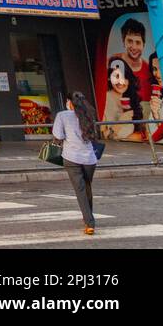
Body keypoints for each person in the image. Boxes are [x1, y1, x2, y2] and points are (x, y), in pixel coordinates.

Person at [52, 91, 100, 235]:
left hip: (71, 158)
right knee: (87, 188)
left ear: (69, 102)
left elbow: (58, 135)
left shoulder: (62, 115)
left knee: (80, 191)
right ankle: (88, 217)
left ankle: (89, 223)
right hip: (90, 159)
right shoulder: (89, 115)